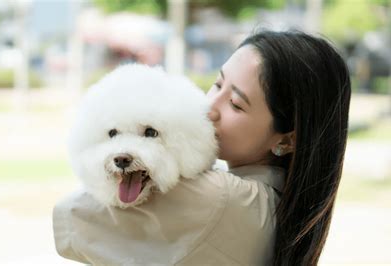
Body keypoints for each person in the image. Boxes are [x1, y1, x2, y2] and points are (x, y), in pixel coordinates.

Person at [53, 30, 351, 265]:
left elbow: (73, 217)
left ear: (287, 138)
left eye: (235, 103)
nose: (210, 108)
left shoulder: (221, 197)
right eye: (217, 84)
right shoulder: (275, 204)